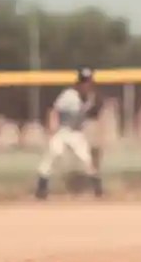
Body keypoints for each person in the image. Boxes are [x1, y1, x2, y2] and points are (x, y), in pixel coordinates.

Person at [34, 66, 104, 200]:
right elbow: (54, 110)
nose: (86, 84)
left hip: (76, 133)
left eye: (88, 81)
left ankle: (98, 191)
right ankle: (41, 191)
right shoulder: (68, 95)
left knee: (86, 159)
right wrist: (51, 128)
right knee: (52, 156)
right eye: (83, 81)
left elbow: (93, 114)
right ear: (78, 83)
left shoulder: (91, 97)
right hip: (63, 131)